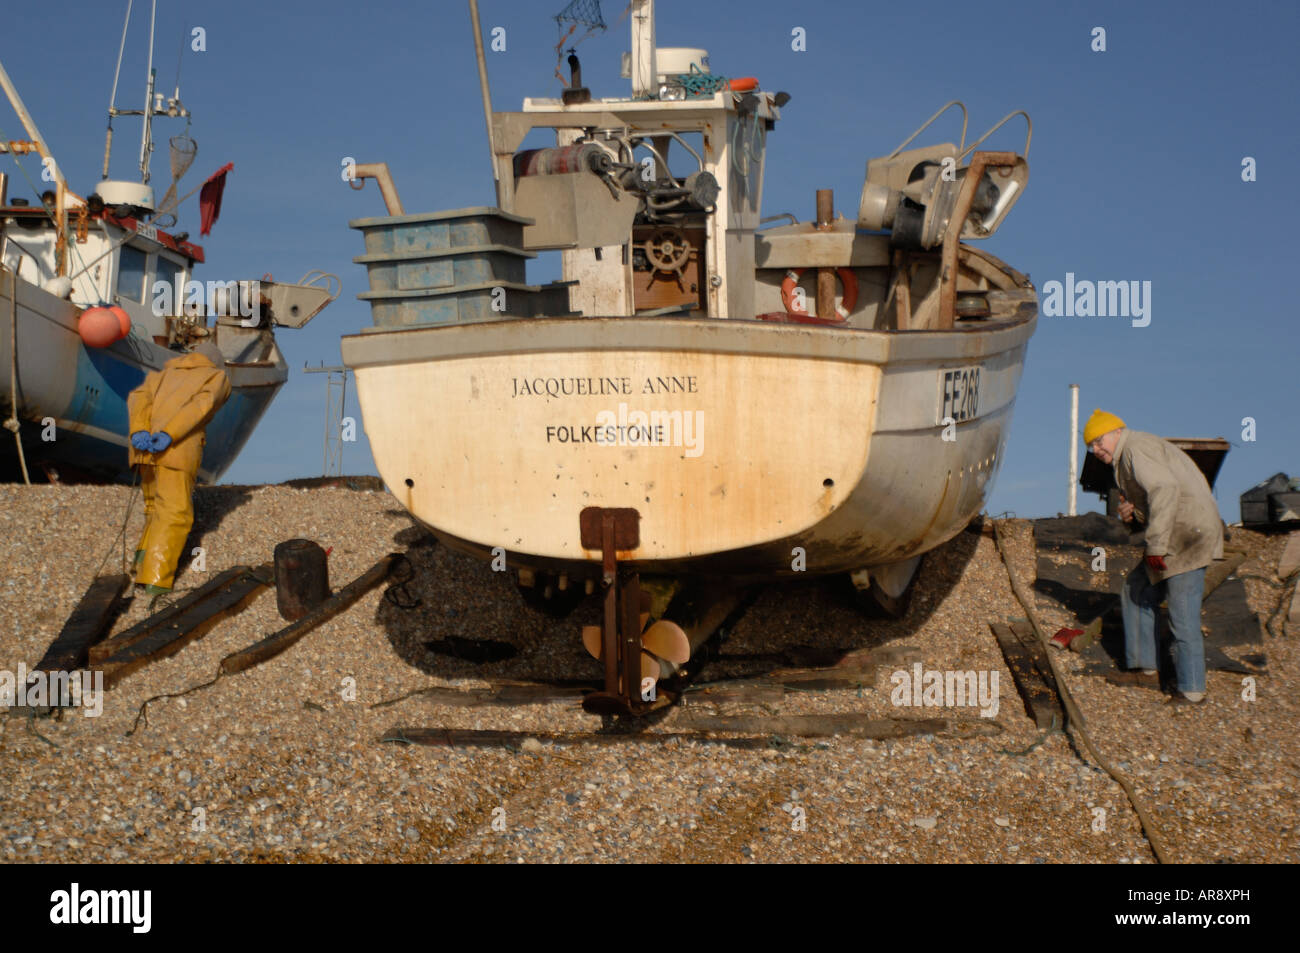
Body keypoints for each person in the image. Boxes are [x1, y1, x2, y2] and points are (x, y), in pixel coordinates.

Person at [1083, 409, 1224, 705]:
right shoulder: (1127, 455)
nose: (1096, 450)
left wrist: (1157, 545)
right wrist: (1133, 514)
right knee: (1137, 589)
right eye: (1091, 446)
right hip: (1179, 530)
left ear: (1117, 432)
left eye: (1099, 441)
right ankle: (1145, 670)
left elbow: (1165, 489)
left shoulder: (1135, 448)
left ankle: (1192, 690)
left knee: (1181, 610)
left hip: (1187, 534)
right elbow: (1155, 498)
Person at [126, 341, 232, 595]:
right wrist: (169, 434)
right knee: (174, 513)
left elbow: (137, 398)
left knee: (153, 508)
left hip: (143, 451)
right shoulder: (216, 377)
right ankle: (155, 580)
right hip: (176, 451)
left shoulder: (162, 374)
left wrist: (139, 430)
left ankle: (140, 564)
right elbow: (200, 407)